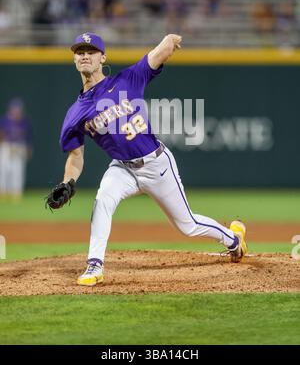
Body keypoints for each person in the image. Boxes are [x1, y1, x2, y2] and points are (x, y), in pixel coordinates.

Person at [46, 32, 247, 286]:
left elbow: (157, 54)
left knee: (188, 225)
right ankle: (94, 265)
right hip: (122, 169)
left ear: (102, 58)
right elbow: (76, 155)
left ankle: (233, 239)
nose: (84, 55)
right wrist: (68, 182)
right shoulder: (75, 113)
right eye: (79, 52)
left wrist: (170, 39)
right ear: (75, 60)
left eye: (91, 51)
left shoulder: (127, 79)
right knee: (103, 200)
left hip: (156, 163)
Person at [0, 98, 32, 200]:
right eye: (15, 110)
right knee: (4, 170)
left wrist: (28, 149)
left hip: (19, 147)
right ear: (11, 110)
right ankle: (3, 191)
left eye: (18, 110)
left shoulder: (24, 122)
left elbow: (27, 137)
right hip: (6, 146)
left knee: (18, 171)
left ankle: (16, 192)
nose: (17, 112)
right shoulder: (5, 120)